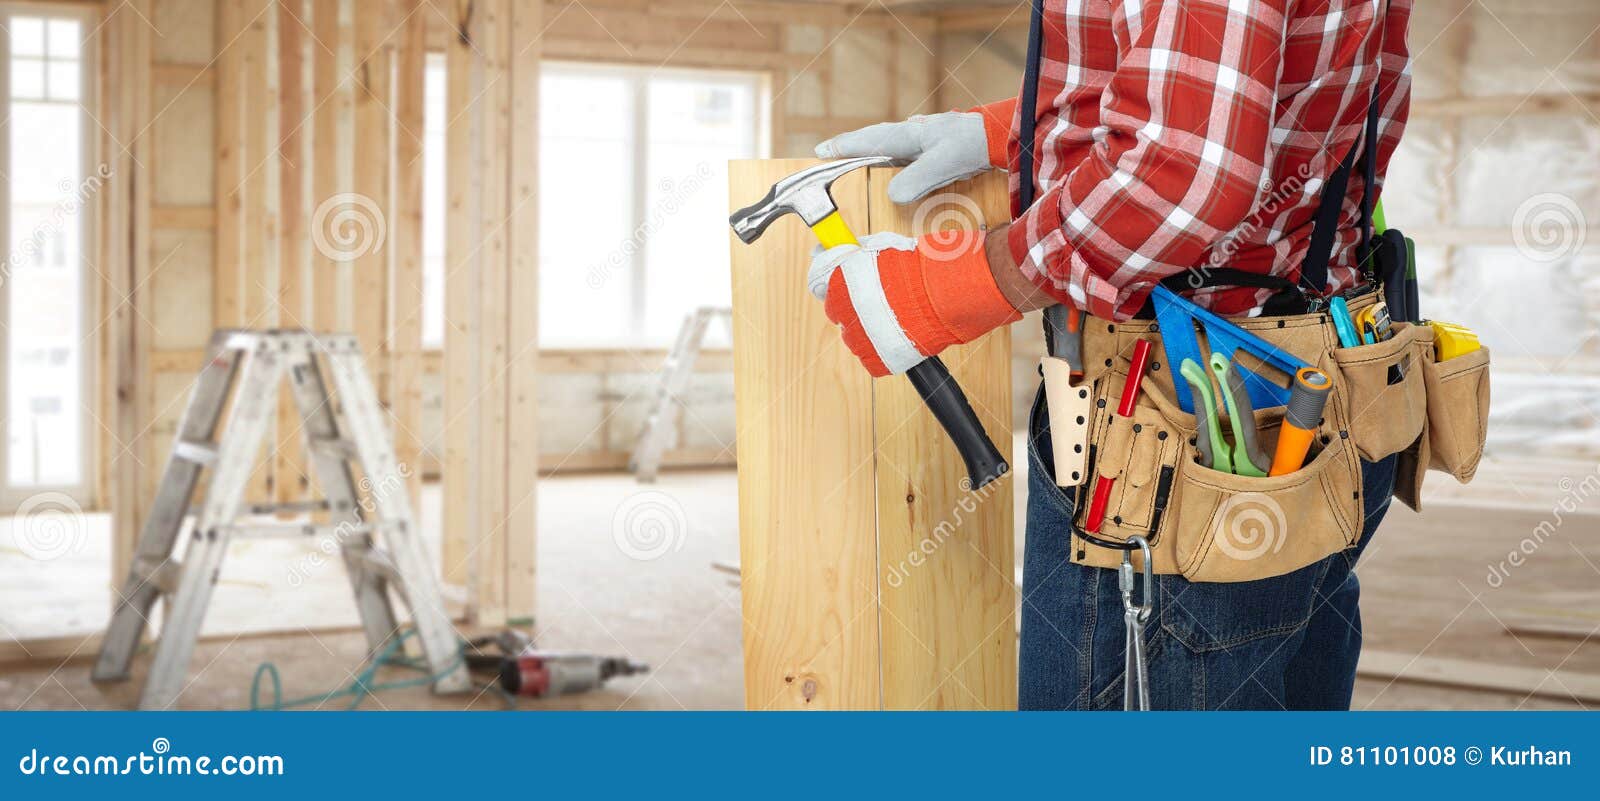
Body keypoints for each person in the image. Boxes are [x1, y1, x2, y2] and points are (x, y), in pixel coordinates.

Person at [807, 0, 1412, 710]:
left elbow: (1185, 176)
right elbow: (1305, 92)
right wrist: (1016, 134)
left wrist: (944, 291)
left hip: (1165, 441)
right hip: (1331, 388)